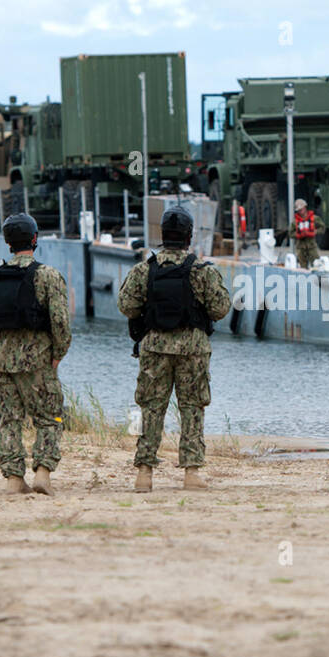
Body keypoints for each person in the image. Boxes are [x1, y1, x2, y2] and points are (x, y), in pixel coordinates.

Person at [117, 207, 231, 492]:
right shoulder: (202, 271)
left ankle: (144, 472)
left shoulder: (144, 270)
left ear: (163, 235)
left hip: (154, 347)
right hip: (192, 349)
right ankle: (191, 472)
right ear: (189, 237)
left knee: (151, 409)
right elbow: (220, 309)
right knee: (192, 409)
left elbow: (126, 306)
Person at [0, 212, 71, 495]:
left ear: (8, 243)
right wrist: (57, 354)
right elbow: (61, 322)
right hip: (38, 360)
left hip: (0, 362)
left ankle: (14, 479)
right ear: (34, 238)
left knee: (8, 420)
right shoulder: (50, 276)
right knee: (49, 417)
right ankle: (42, 472)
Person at [291, 197, 320, 269]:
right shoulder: (295, 222)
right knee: (303, 268)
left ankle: (317, 278)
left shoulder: (314, 218)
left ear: (305, 207)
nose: (301, 212)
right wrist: (298, 235)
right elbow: (290, 233)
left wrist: (315, 232)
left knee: (317, 265)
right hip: (300, 247)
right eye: (299, 210)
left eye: (302, 209)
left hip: (311, 246)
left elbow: (322, 228)